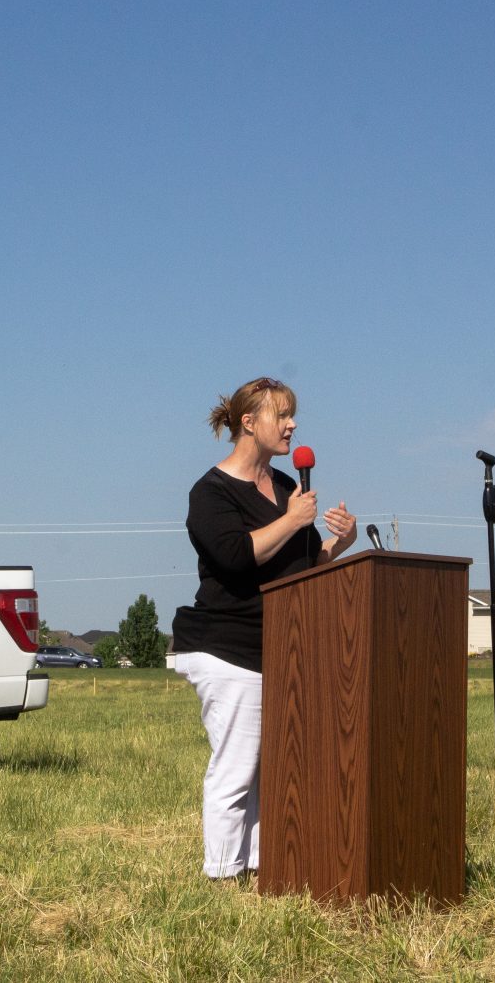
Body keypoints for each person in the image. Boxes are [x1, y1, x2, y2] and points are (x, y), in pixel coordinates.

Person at [169, 377, 357, 879]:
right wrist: (294, 521)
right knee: (238, 768)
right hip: (226, 647)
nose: (293, 425)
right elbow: (234, 557)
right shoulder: (209, 492)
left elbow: (299, 568)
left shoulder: (286, 487)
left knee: (273, 769)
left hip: (280, 648)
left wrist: (336, 545)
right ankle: (223, 874)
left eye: (293, 415)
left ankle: (262, 869)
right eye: (283, 415)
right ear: (248, 423)